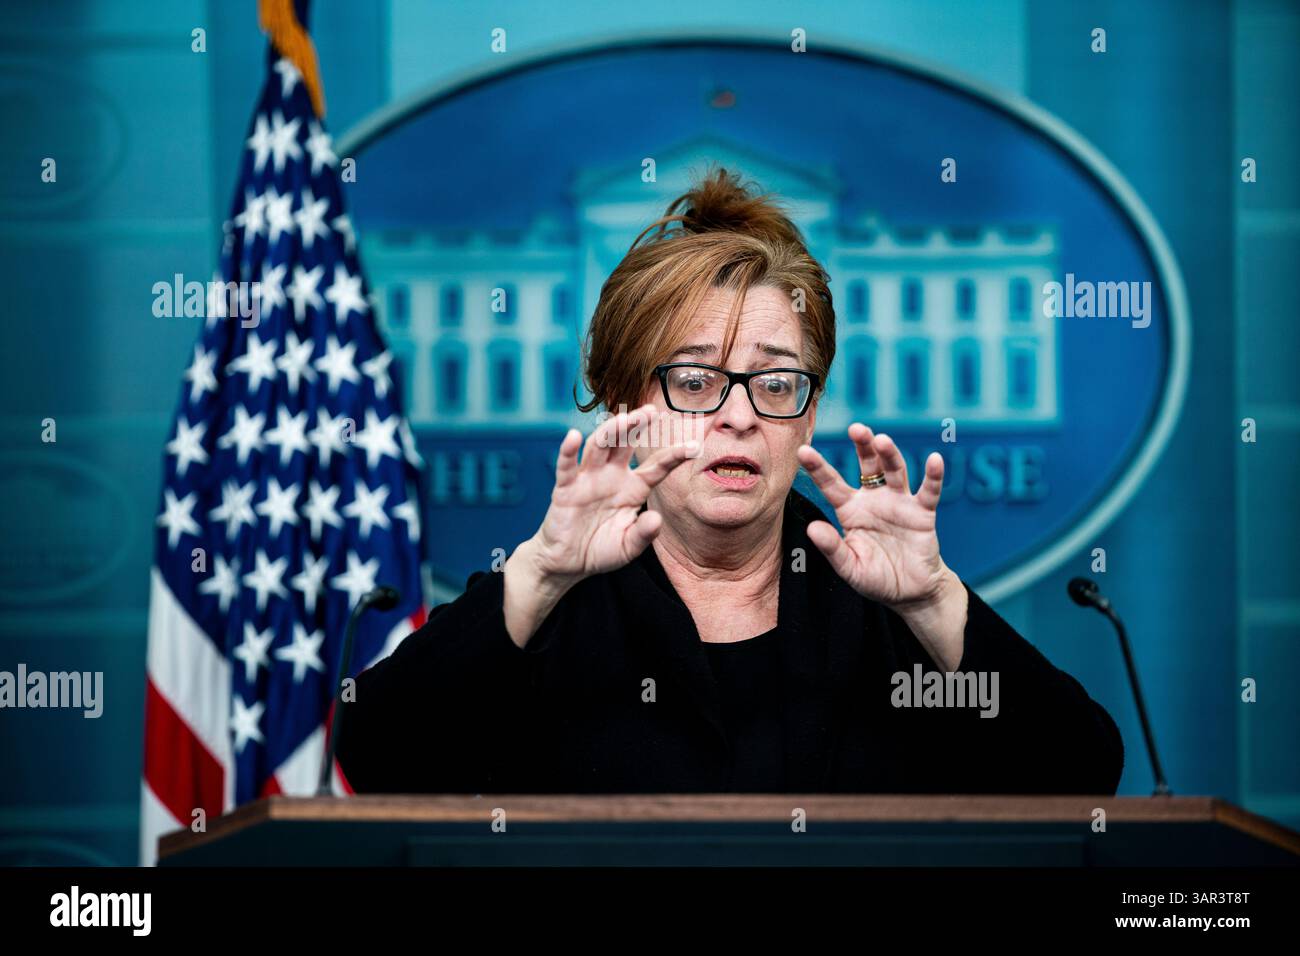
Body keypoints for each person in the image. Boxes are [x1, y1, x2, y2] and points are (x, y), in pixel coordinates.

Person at [336, 166, 1124, 795]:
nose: (739, 416)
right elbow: (377, 754)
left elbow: (1079, 773)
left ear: (807, 419)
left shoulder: (888, 615)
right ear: (626, 407)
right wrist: (537, 573)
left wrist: (936, 601)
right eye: (694, 380)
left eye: (776, 383)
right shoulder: (549, 610)